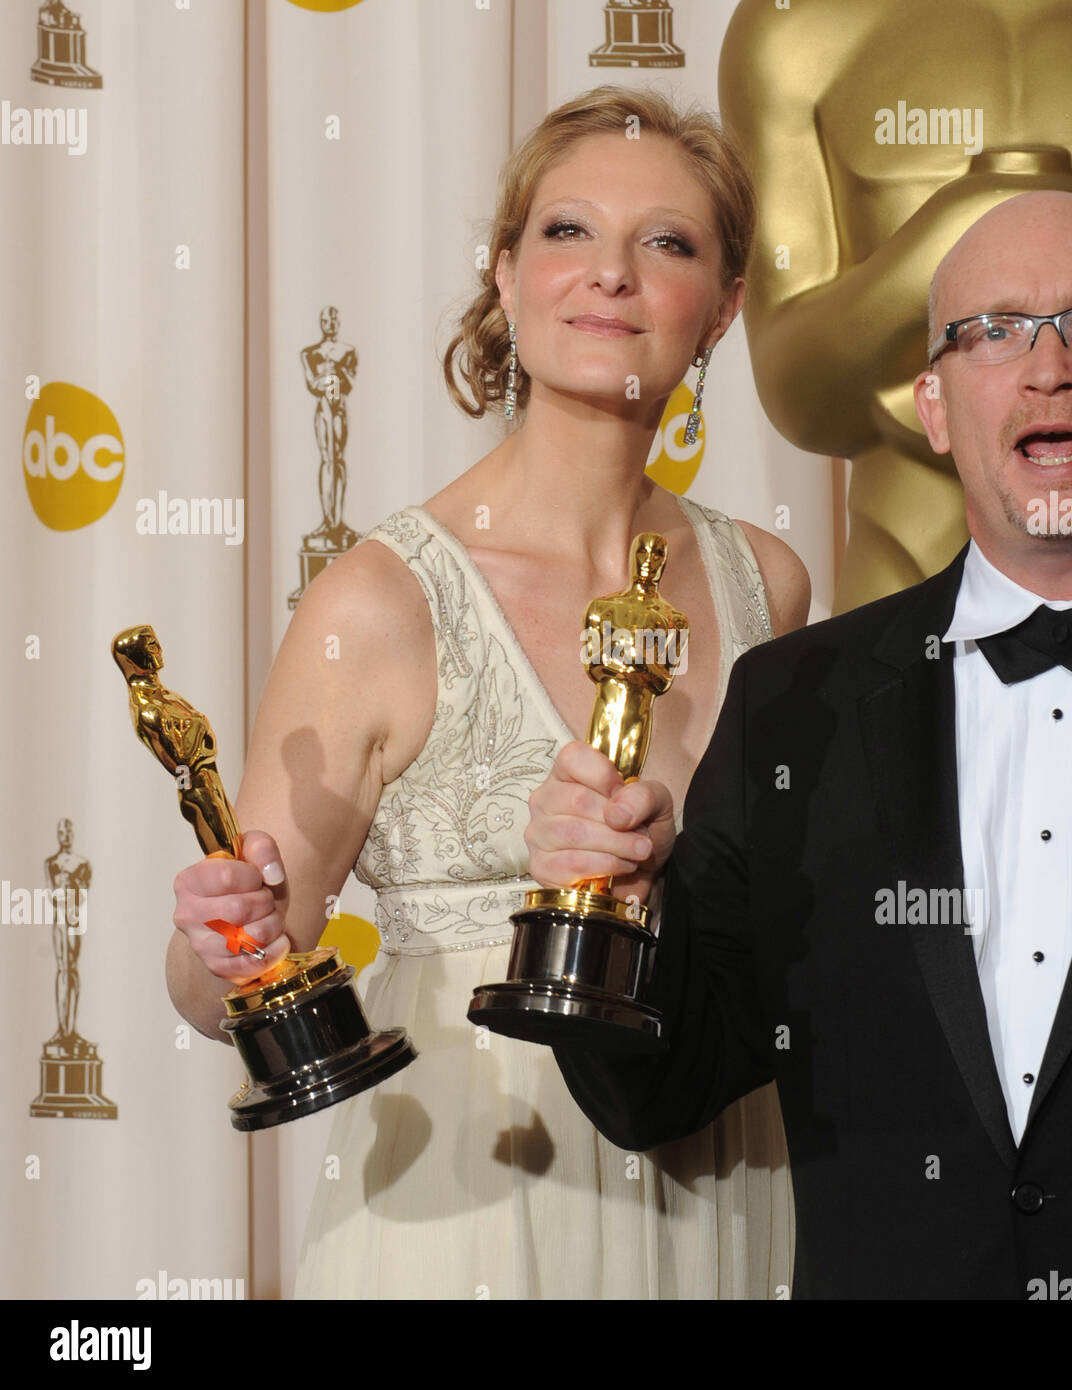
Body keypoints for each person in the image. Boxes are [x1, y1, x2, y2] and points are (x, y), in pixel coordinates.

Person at [529, 190, 1072, 1299]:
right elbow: (663, 1088)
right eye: (991, 333)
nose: (1045, 367)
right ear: (930, 404)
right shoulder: (793, 703)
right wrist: (605, 906)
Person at [166, 85, 809, 1299]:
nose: (610, 275)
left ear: (722, 309)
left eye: (664, 243)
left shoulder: (767, 580)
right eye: (567, 232)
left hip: (725, 1180)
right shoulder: (377, 600)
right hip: (470, 1210)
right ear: (506, 277)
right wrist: (220, 938)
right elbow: (227, 982)